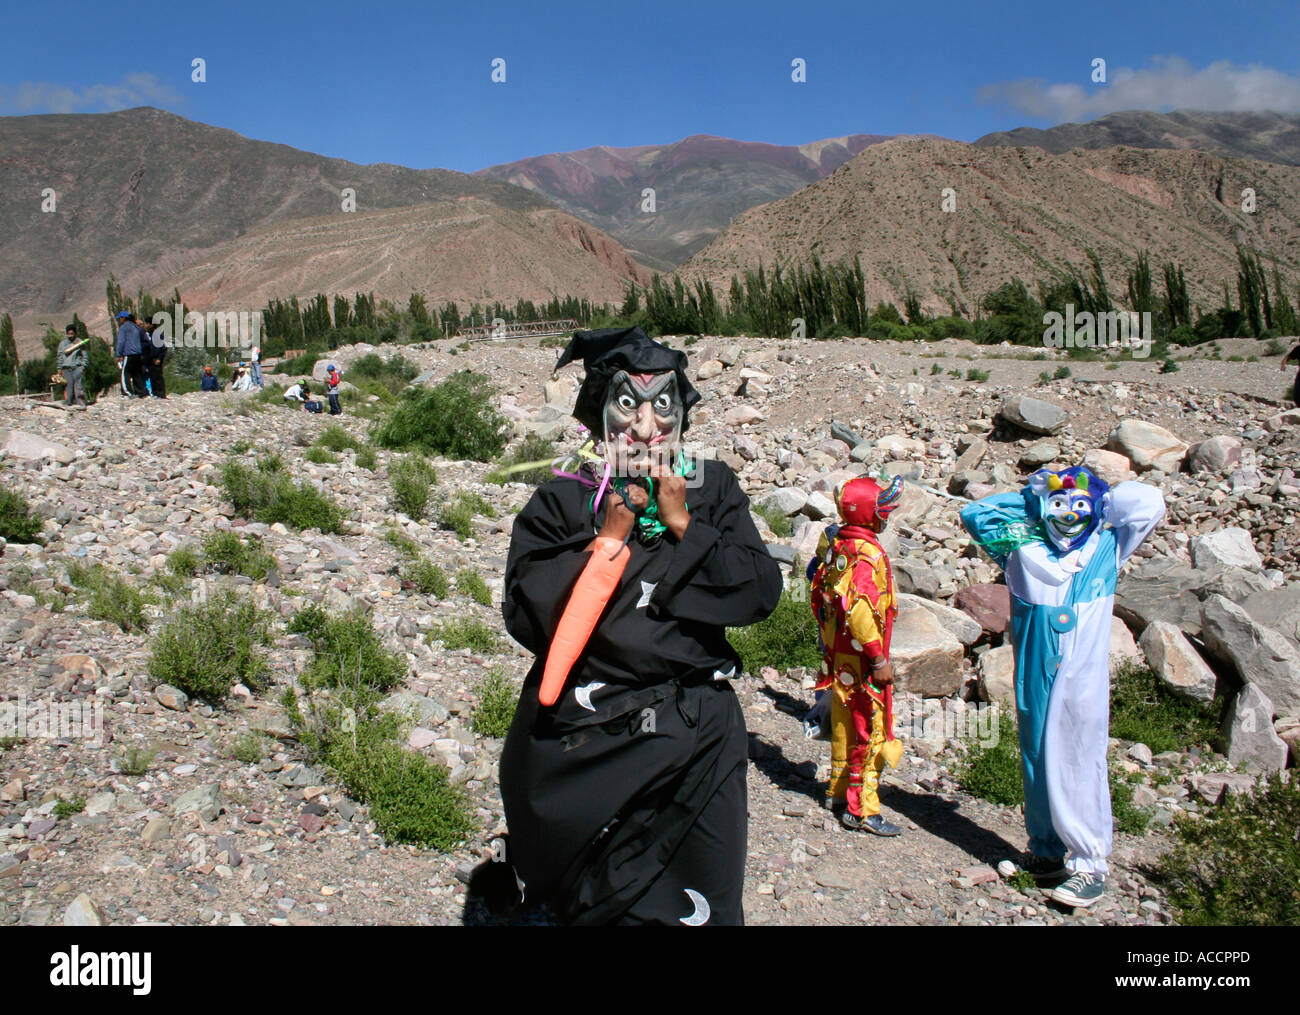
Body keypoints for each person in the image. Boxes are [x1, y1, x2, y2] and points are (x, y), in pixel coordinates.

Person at [494, 326, 782, 926]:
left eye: (663, 409)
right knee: (591, 897)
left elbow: (758, 592)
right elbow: (524, 611)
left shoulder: (713, 489)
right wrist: (607, 542)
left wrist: (683, 525)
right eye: (627, 407)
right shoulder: (564, 499)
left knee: (694, 897)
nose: (646, 429)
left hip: (692, 728)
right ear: (599, 411)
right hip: (588, 729)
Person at [961, 466, 1164, 909]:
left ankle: (1090, 864)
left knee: (1077, 757)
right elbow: (977, 513)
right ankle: (1048, 852)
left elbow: (1148, 504)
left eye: (1079, 507)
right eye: (1059, 506)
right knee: (1036, 758)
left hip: (1079, 682)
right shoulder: (1020, 550)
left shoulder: (1107, 547)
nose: (1068, 515)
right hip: (1034, 676)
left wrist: (1098, 494)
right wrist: (1037, 495)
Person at [808, 476, 906, 836]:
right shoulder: (869, 555)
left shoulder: (836, 543)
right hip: (863, 660)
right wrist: (879, 660)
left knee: (843, 721)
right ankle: (862, 808)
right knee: (871, 728)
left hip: (839, 656)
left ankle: (836, 790)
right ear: (869, 514)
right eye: (883, 511)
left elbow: (819, 584)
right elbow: (862, 612)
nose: (886, 518)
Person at [114, 310, 147, 398]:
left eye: (120, 318)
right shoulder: (136, 327)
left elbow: (121, 342)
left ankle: (127, 392)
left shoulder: (124, 328)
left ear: (123, 318)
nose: (119, 320)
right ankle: (140, 392)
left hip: (129, 354)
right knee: (137, 374)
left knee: (125, 373)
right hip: (138, 354)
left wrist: (118, 355)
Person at [57, 324, 89, 406]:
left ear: (75, 333)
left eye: (72, 334)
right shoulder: (63, 344)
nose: (70, 336)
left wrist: (83, 367)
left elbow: (85, 356)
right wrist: (59, 369)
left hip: (77, 367)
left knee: (78, 386)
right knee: (68, 386)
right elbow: (60, 357)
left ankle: (80, 402)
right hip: (66, 368)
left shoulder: (80, 343)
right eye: (68, 334)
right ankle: (69, 402)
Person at [143, 318, 167, 398]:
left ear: (151, 325)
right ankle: (155, 393)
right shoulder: (148, 334)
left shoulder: (157, 334)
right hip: (149, 359)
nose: (145, 325)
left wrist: (159, 358)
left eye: (147, 324)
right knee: (152, 376)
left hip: (156, 358)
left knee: (158, 377)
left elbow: (163, 348)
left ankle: (161, 394)